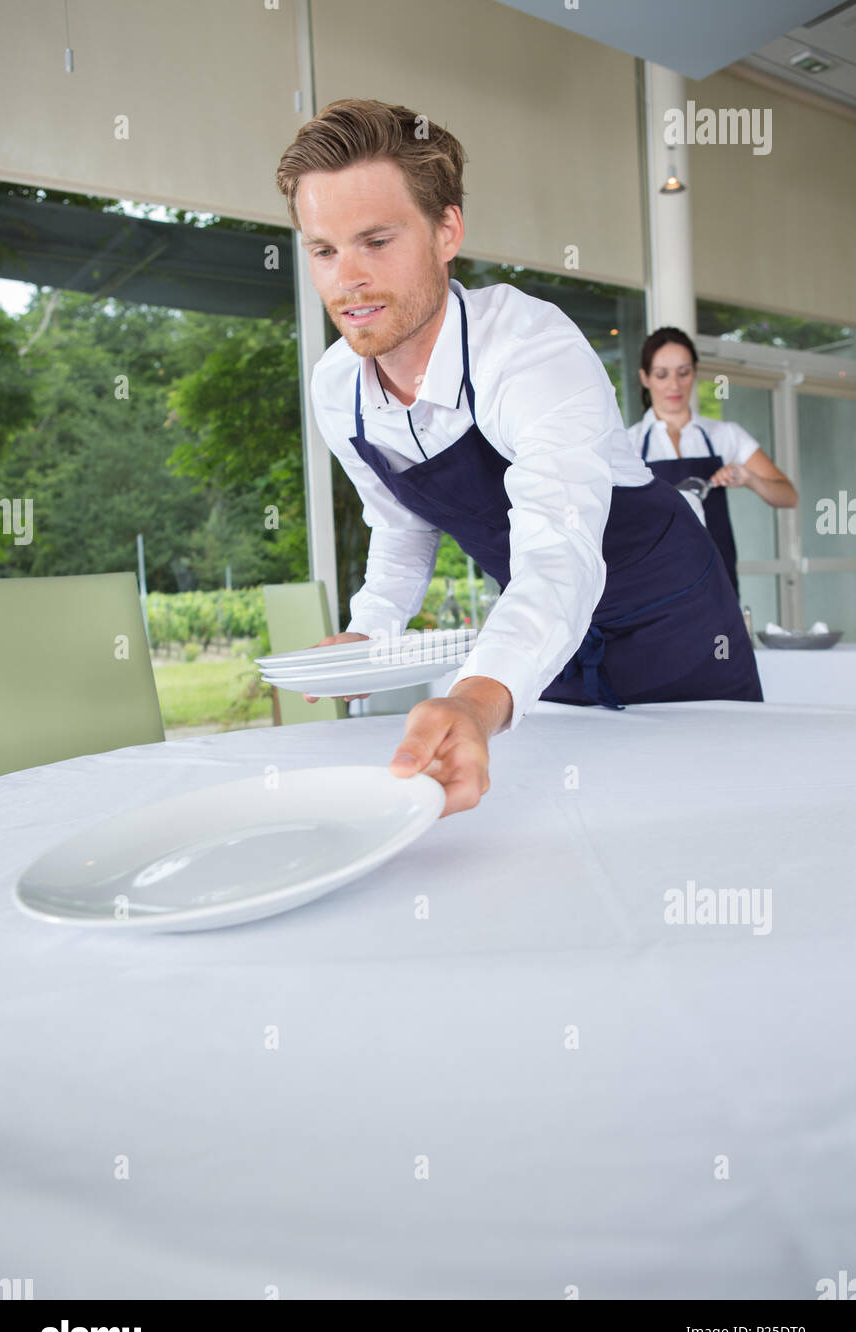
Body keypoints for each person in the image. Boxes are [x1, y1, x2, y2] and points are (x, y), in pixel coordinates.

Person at [275, 98, 762, 819]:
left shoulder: (532, 351)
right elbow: (402, 526)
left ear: (447, 231)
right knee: (571, 831)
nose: (346, 279)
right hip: (538, 641)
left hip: (674, 621)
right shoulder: (336, 387)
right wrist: (371, 633)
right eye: (323, 249)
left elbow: (557, 553)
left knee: (718, 821)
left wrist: (472, 695)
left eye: (376, 241)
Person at [628, 328, 798, 596]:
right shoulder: (629, 445)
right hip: (655, 587)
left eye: (683, 373)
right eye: (662, 374)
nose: (674, 385)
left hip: (718, 584)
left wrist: (749, 478)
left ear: (695, 372)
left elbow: (788, 496)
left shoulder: (725, 435)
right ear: (645, 378)